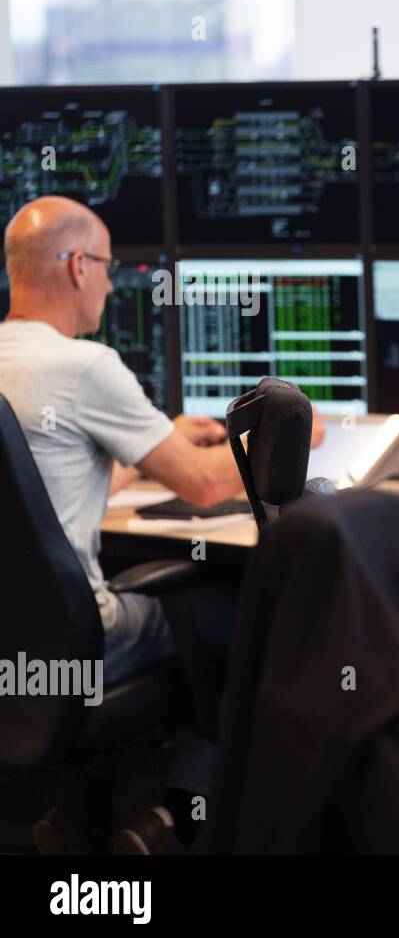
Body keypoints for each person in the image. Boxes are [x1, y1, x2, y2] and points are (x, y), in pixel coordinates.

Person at [0, 196, 321, 852]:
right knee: (252, 608)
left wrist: (153, 443)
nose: (114, 283)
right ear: (77, 267)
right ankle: (183, 814)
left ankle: (97, 813)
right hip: (84, 635)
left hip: (13, 642)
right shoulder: (84, 366)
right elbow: (204, 485)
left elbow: (34, 481)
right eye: (108, 266)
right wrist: (295, 442)